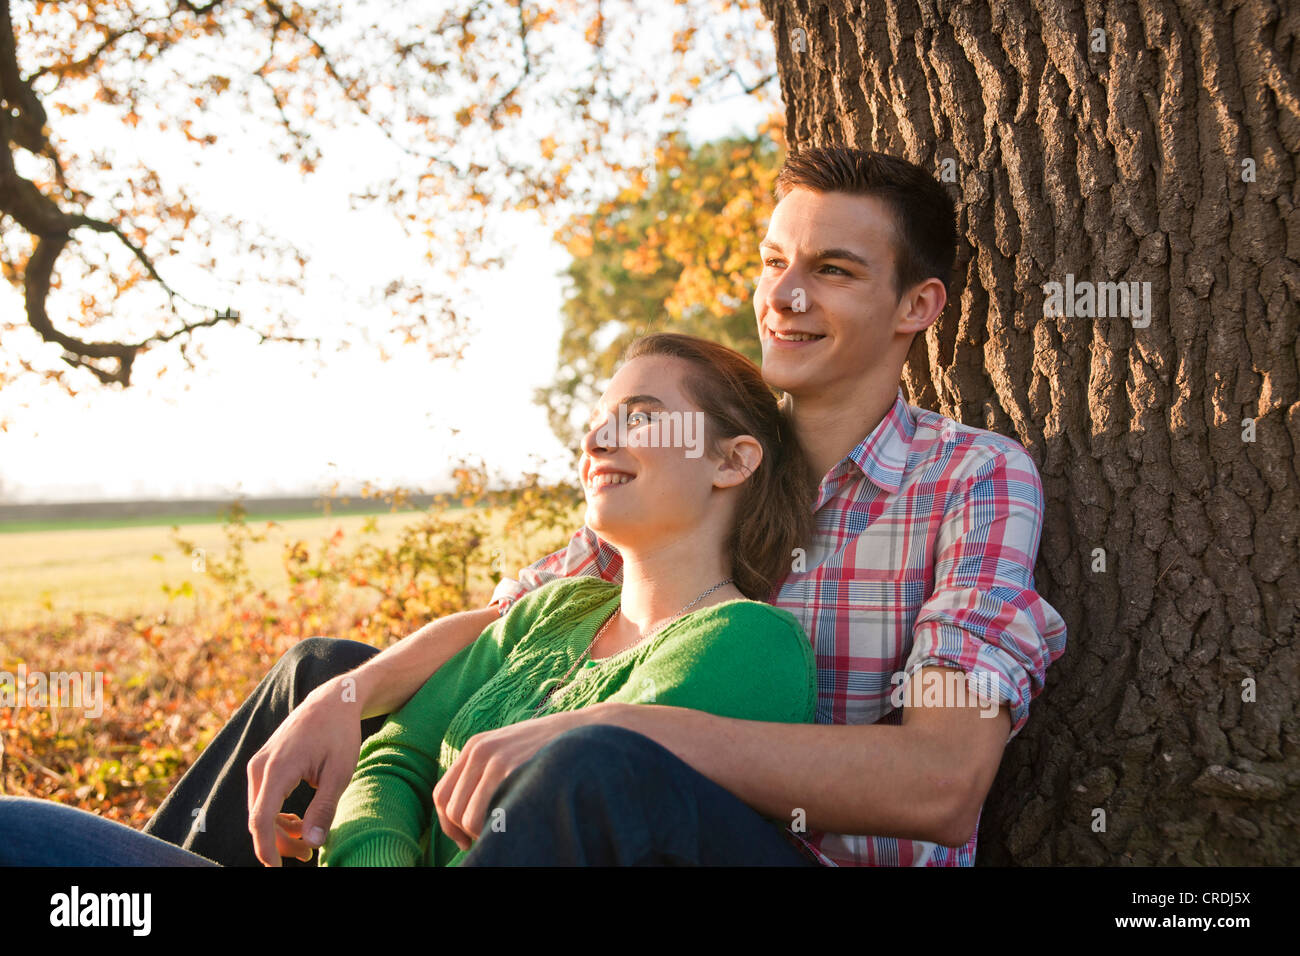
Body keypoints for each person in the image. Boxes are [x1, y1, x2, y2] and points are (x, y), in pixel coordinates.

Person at [147, 144, 1066, 868]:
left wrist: (622, 720)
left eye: (832, 270)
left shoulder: (971, 481)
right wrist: (343, 696)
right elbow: (508, 632)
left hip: (773, 855)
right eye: (775, 262)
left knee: (599, 764)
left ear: (919, 306)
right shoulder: (702, 460)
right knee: (321, 669)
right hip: (619, 827)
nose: (784, 297)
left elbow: (941, 783)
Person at [0, 333, 821, 867]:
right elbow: (390, 756)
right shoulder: (551, 613)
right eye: (598, 419)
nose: (598, 438)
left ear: (731, 461)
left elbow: (574, 813)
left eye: (639, 418)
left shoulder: (743, 642)